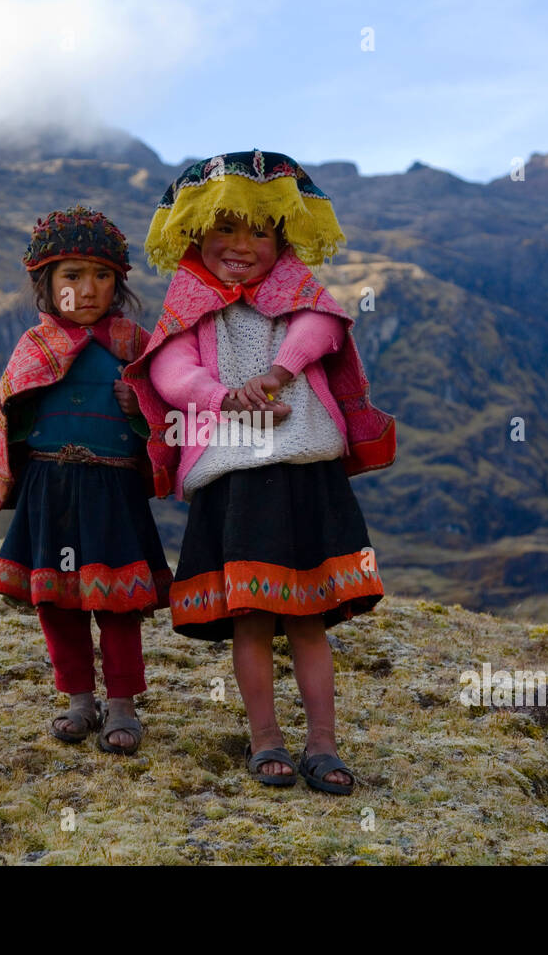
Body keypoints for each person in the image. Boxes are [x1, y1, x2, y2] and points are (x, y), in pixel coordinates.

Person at [123, 151, 396, 794]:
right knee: (252, 617)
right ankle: (265, 739)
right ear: (194, 236)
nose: (242, 246)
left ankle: (324, 745)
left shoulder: (299, 293)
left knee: (306, 617)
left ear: (283, 240)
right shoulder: (189, 303)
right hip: (236, 479)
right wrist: (222, 398)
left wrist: (277, 373)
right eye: (225, 229)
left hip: (304, 470)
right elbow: (168, 371)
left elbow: (322, 327)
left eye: (259, 232)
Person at [0, 205, 172, 755]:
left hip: (113, 491)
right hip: (49, 489)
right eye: (72, 276)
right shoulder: (33, 348)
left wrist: (141, 408)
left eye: (102, 276)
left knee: (117, 600)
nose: (88, 290)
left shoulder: (138, 346)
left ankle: (124, 707)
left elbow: (168, 417)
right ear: (47, 284)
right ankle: (79, 701)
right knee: (58, 603)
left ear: (119, 284)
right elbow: (8, 414)